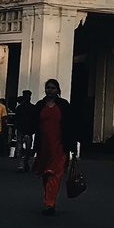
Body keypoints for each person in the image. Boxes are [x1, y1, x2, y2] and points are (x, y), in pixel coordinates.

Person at [32, 78, 78, 215]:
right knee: (45, 174)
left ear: (57, 90)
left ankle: (50, 203)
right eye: (48, 88)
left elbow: (71, 126)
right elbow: (34, 123)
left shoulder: (64, 106)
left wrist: (73, 146)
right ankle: (48, 198)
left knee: (55, 174)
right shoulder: (40, 105)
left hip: (60, 145)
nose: (50, 90)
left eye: (52, 88)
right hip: (44, 146)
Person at [13, 89, 37, 173]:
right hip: (24, 130)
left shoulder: (28, 108)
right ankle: (21, 164)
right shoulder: (25, 108)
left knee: (27, 149)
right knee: (21, 148)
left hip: (27, 130)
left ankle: (24, 161)